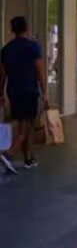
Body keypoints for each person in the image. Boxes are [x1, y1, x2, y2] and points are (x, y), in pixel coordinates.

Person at [0, 17, 48, 173]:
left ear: (12, 29)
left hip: (13, 92)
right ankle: (9, 154)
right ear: (26, 28)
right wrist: (45, 92)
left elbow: (2, 74)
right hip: (29, 90)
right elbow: (40, 70)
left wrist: (1, 93)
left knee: (24, 122)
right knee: (26, 127)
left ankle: (29, 159)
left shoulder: (6, 49)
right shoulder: (32, 47)